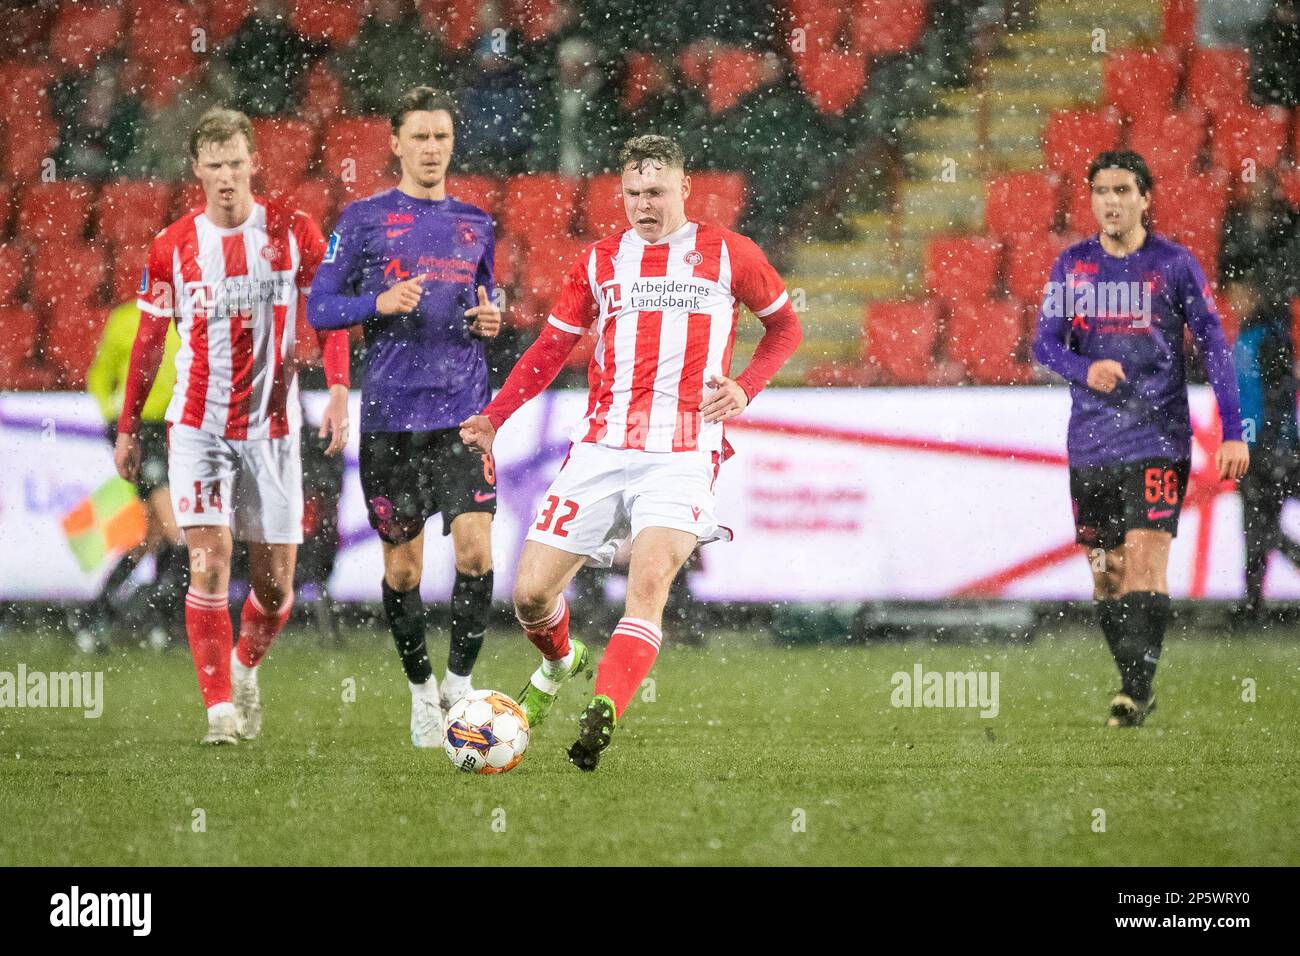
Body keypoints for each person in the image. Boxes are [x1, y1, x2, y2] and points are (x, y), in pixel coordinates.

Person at [460, 133, 803, 771]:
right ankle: (561, 662)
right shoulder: (598, 261)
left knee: (647, 583)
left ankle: (604, 711)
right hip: (600, 448)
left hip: (684, 450)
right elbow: (549, 349)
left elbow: (785, 326)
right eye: (633, 194)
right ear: (620, 194)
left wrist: (744, 386)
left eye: (657, 192)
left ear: (685, 190)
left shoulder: (730, 254)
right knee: (530, 596)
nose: (645, 205)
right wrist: (495, 417)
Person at [114, 107, 351, 745]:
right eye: (214, 165)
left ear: (254, 162)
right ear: (197, 169)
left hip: (274, 430)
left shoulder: (292, 230)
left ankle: (245, 667)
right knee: (209, 562)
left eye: (236, 163)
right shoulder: (172, 247)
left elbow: (326, 313)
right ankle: (218, 710)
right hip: (197, 427)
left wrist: (337, 389)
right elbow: (148, 342)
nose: (226, 177)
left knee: (275, 591)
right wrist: (131, 426)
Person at [307, 86, 502, 748]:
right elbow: (320, 308)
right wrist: (378, 302)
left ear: (453, 142)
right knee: (404, 572)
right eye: (419, 136)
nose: (431, 148)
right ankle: (421, 691)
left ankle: (460, 685)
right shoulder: (361, 220)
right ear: (395, 143)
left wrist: (492, 317)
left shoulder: (477, 222)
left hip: (464, 414)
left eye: (441, 136)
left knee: (476, 552)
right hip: (393, 419)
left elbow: (488, 296)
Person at [1032, 150, 1249, 728]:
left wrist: (1233, 431)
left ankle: (1134, 690)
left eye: (1124, 190)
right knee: (1106, 571)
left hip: (1159, 438)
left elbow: (1213, 345)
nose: (1112, 201)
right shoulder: (1072, 267)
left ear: (1145, 198)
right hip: (1092, 443)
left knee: (1147, 560)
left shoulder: (1174, 265)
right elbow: (1044, 346)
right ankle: (1135, 678)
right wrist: (1086, 370)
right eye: (1101, 190)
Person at [81, 298, 187, 652]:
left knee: (149, 538)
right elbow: (100, 374)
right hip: (141, 432)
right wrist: (115, 417)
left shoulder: (187, 319)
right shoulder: (126, 320)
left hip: (177, 432)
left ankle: (100, 618)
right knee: (177, 532)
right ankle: (159, 622)